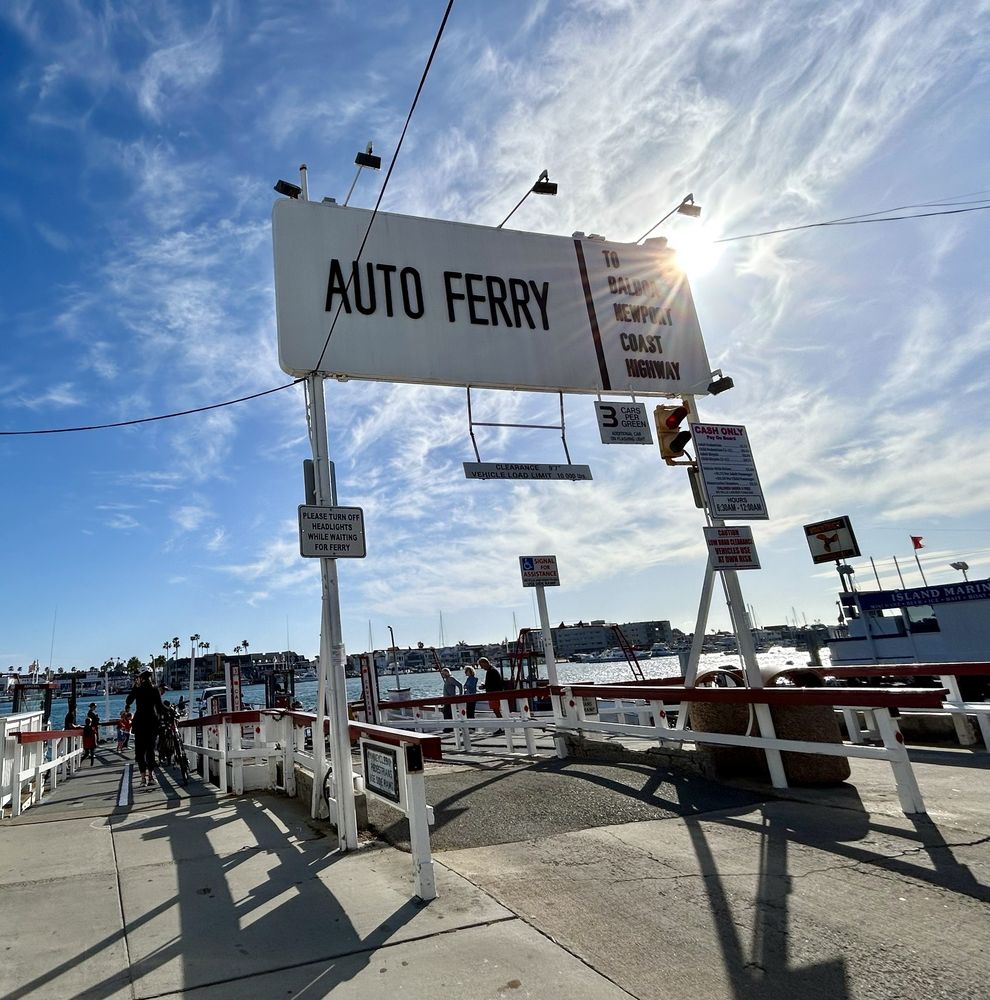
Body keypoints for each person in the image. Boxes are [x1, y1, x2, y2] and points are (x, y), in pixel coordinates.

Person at [126, 670, 165, 788]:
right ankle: (151, 776)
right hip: (152, 722)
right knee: (150, 750)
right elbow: (159, 706)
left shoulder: (138, 689)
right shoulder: (154, 689)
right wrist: (162, 717)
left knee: (140, 751)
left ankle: (143, 778)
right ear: (150, 678)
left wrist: (135, 687)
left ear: (141, 679)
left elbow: (128, 701)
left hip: (140, 723)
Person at [480, 657, 505, 734]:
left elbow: (492, 684)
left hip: (494, 694)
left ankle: (502, 728)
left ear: (485, 663)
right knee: (496, 710)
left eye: (482, 665)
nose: (481, 667)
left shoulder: (491, 671)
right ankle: (502, 727)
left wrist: (484, 686)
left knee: (496, 710)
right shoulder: (492, 670)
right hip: (495, 693)